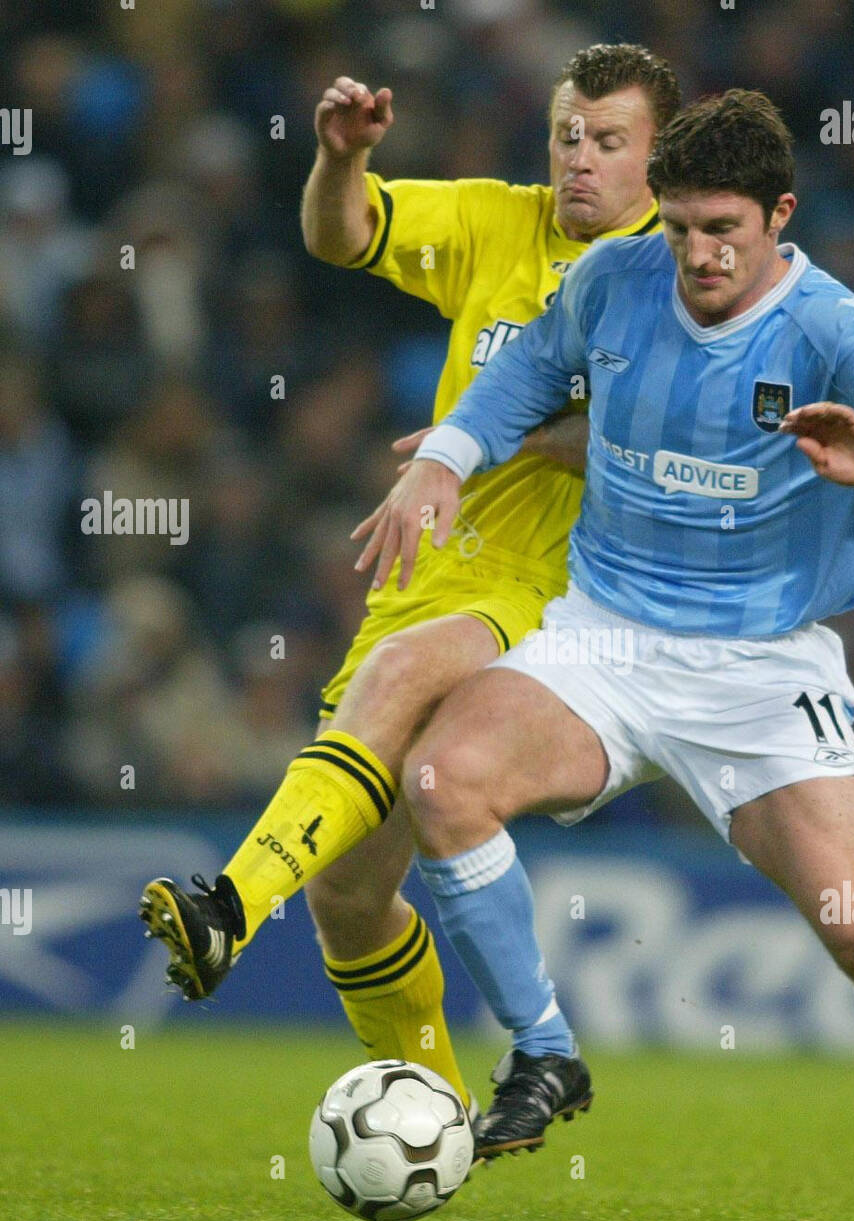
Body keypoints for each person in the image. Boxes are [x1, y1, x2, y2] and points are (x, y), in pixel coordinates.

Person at [359, 90, 854, 1221]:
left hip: (760, 667)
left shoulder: (838, 328)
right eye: (681, 225)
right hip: (602, 634)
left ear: (779, 218)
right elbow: (520, 378)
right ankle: (545, 1054)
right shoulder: (612, 280)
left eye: (725, 232)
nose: (698, 253)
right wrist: (447, 455)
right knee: (443, 782)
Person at [138, 45, 681, 1117]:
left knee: (399, 670)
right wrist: (342, 160)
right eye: (568, 134)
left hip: (563, 586)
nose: (581, 159)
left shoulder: (671, 268)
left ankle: (228, 907)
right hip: (433, 573)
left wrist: (485, 441)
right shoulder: (494, 221)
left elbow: (645, 432)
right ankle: (437, 1111)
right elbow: (341, 235)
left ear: (657, 160)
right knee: (348, 893)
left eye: (609, 142)